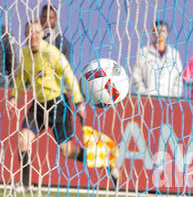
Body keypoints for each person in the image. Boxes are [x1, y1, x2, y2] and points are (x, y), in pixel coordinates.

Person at [6, 20, 119, 188]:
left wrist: (79, 102)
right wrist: (14, 96)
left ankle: (106, 162)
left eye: (37, 32)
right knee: (23, 139)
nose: (34, 35)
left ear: (43, 34)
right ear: (26, 34)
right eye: (31, 32)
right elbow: (21, 78)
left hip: (58, 105)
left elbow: (69, 76)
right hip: (38, 105)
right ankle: (25, 184)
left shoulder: (52, 53)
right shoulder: (25, 55)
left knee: (66, 151)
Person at [130, 19, 184, 98]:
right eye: (157, 31)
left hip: (168, 100)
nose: (160, 33)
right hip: (147, 99)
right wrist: (143, 94)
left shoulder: (174, 54)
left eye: (162, 31)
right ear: (152, 32)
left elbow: (179, 77)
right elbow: (136, 75)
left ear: (167, 33)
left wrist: (174, 96)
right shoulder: (143, 52)